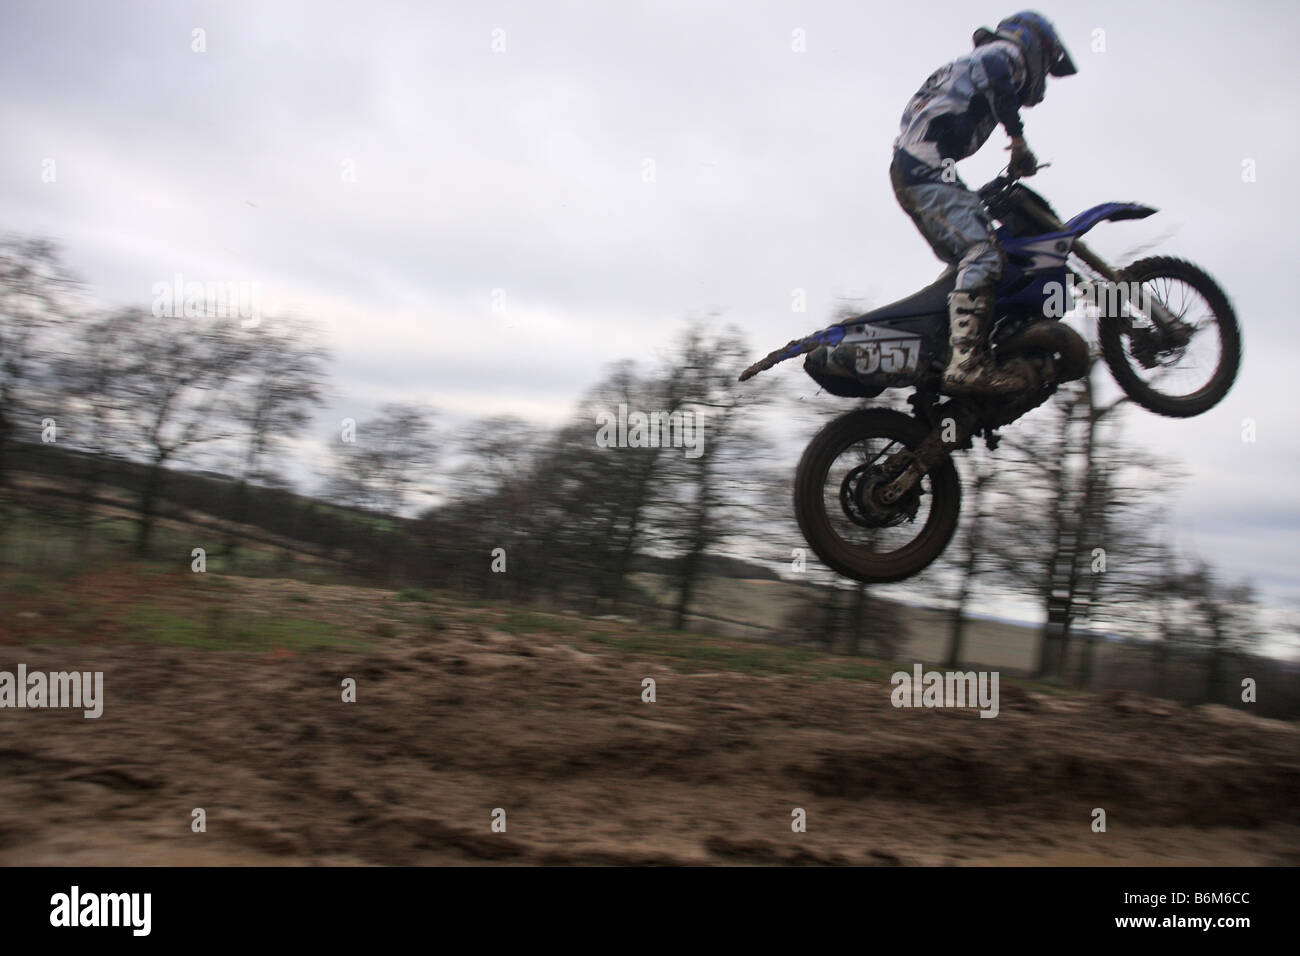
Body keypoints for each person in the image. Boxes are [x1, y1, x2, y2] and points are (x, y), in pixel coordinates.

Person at [890, 11, 1077, 395]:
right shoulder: (1004, 54)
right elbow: (996, 71)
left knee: (968, 260)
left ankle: (942, 350)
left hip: (916, 166)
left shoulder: (964, 67)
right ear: (1037, 46)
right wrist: (1018, 139)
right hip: (925, 166)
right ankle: (968, 363)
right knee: (985, 254)